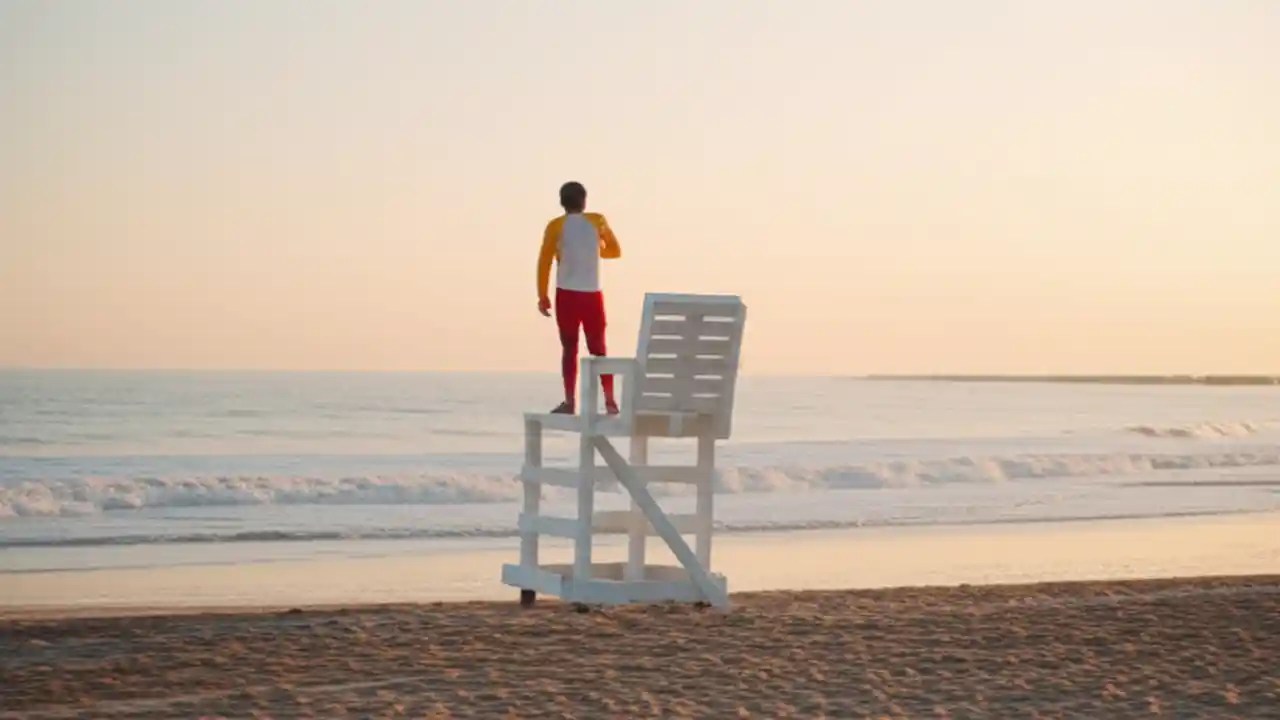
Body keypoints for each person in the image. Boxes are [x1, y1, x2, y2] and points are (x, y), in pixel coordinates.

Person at [536, 181, 622, 415]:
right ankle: (611, 401)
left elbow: (544, 262)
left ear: (562, 203)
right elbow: (615, 251)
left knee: (569, 348)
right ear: (584, 201)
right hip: (592, 294)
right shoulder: (597, 221)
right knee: (599, 349)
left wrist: (542, 295)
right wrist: (597, 249)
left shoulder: (555, 226)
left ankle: (570, 401)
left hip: (566, 294)